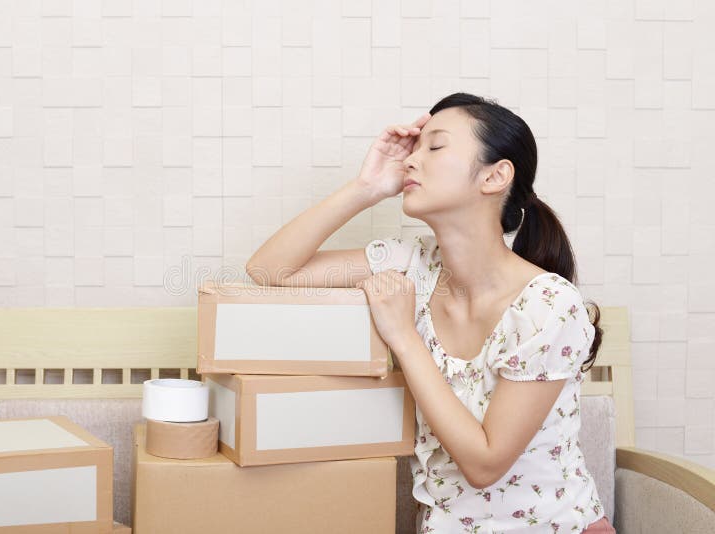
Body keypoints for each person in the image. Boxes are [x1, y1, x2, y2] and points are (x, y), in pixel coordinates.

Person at [246, 92, 614, 533]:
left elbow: (484, 464)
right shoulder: (414, 265)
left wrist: (404, 337)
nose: (410, 162)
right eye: (415, 149)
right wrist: (364, 189)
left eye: (435, 147)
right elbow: (269, 270)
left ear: (495, 176)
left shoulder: (550, 305)